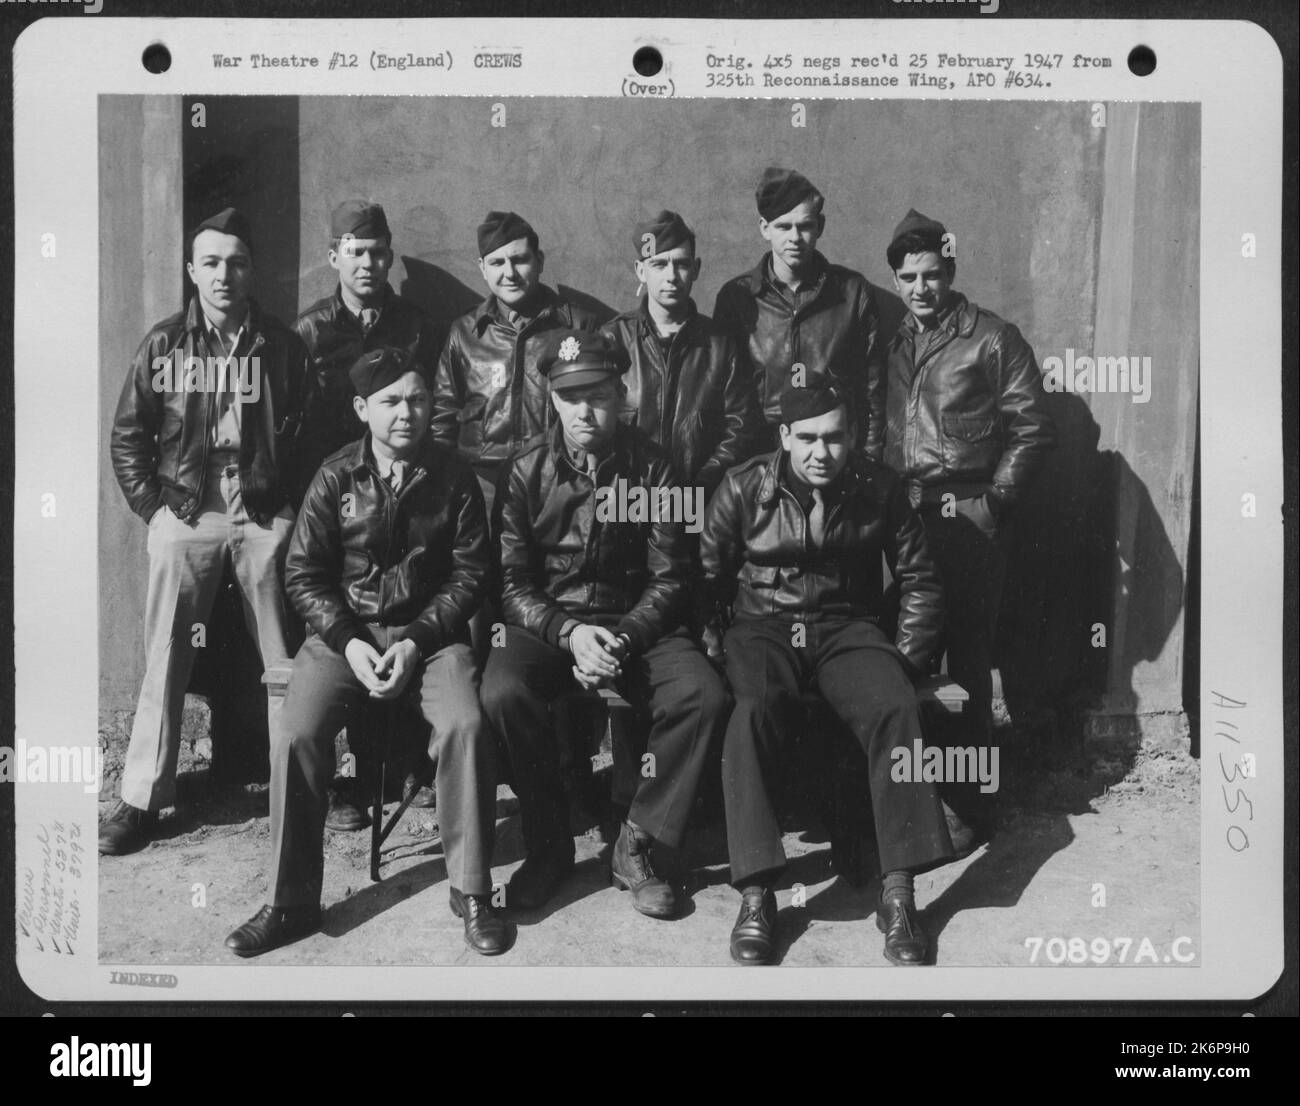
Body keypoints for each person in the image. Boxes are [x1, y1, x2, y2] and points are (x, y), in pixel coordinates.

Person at [224, 347, 509, 957]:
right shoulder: (334, 476)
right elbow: (303, 574)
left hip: (430, 641)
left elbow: (470, 575)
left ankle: (472, 890)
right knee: (296, 733)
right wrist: (350, 641)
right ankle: (290, 901)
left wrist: (415, 641)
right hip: (343, 639)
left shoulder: (455, 478)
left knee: (465, 724)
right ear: (362, 409)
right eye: (390, 402)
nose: (407, 413)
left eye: (418, 399)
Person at [480, 329, 729, 919]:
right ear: (553, 401)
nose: (583, 409)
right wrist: (568, 633)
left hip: (635, 624)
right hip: (550, 625)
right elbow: (511, 582)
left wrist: (619, 638)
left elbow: (671, 577)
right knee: (501, 691)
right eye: (570, 397)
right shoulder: (526, 470)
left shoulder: (656, 469)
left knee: (703, 696)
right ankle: (548, 844)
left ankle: (635, 841)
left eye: (596, 394)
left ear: (620, 394)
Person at [701, 385, 952, 965]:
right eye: (808, 437)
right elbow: (705, 581)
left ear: (852, 437)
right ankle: (759, 893)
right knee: (754, 710)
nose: (823, 451)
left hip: (846, 626)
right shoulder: (743, 485)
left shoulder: (880, 487)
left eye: (835, 437)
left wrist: (905, 662)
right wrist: (718, 655)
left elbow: (920, 579)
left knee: (895, 705)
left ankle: (898, 893)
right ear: (784, 437)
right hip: (764, 625)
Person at [103, 207, 306, 856]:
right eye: (211, 262)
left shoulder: (281, 346)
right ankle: (141, 797)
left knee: (285, 658)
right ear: (192, 271)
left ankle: (295, 793)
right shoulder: (165, 346)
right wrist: (153, 511)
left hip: (264, 517)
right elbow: (128, 437)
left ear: (253, 270)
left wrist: (290, 507)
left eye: (237, 262)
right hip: (188, 515)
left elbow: (307, 435)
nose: (224, 274)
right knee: (165, 653)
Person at [883, 209, 1055, 844]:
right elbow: (886, 426)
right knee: (912, 656)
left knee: (966, 665)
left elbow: (1034, 428)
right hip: (907, 516)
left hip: (967, 513)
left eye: (931, 275)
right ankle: (918, 793)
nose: (920, 287)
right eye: (907, 277)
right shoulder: (897, 342)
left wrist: (992, 506)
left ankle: (972, 805)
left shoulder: (992, 337)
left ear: (949, 272)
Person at [294, 199, 443, 831]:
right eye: (355, 251)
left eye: (379, 251)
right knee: (341, 623)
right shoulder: (308, 331)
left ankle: (406, 763)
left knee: (405, 600)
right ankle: (344, 783)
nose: (369, 262)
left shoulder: (414, 323)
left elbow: (430, 401)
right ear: (334, 256)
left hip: (404, 487)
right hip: (334, 494)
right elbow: (295, 423)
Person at [431, 211, 601, 514]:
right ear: (482, 268)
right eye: (497, 263)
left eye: (519, 259)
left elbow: (603, 403)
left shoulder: (576, 325)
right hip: (482, 483)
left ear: (539, 260)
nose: (509, 272)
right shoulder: (465, 332)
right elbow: (443, 414)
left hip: (556, 479)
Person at [712, 168, 885, 457]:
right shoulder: (736, 299)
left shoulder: (853, 294)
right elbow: (726, 401)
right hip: (759, 459)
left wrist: (868, 467)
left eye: (804, 226)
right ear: (764, 228)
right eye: (783, 227)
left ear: (820, 226)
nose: (794, 237)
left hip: (831, 456)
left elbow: (873, 393)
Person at [600, 209, 763, 502]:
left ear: (697, 269)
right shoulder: (613, 339)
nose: (671, 276)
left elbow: (740, 429)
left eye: (681, 264)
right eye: (659, 264)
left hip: (698, 502)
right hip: (627, 503)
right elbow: (597, 425)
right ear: (640, 270)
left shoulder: (721, 345)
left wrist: (696, 488)